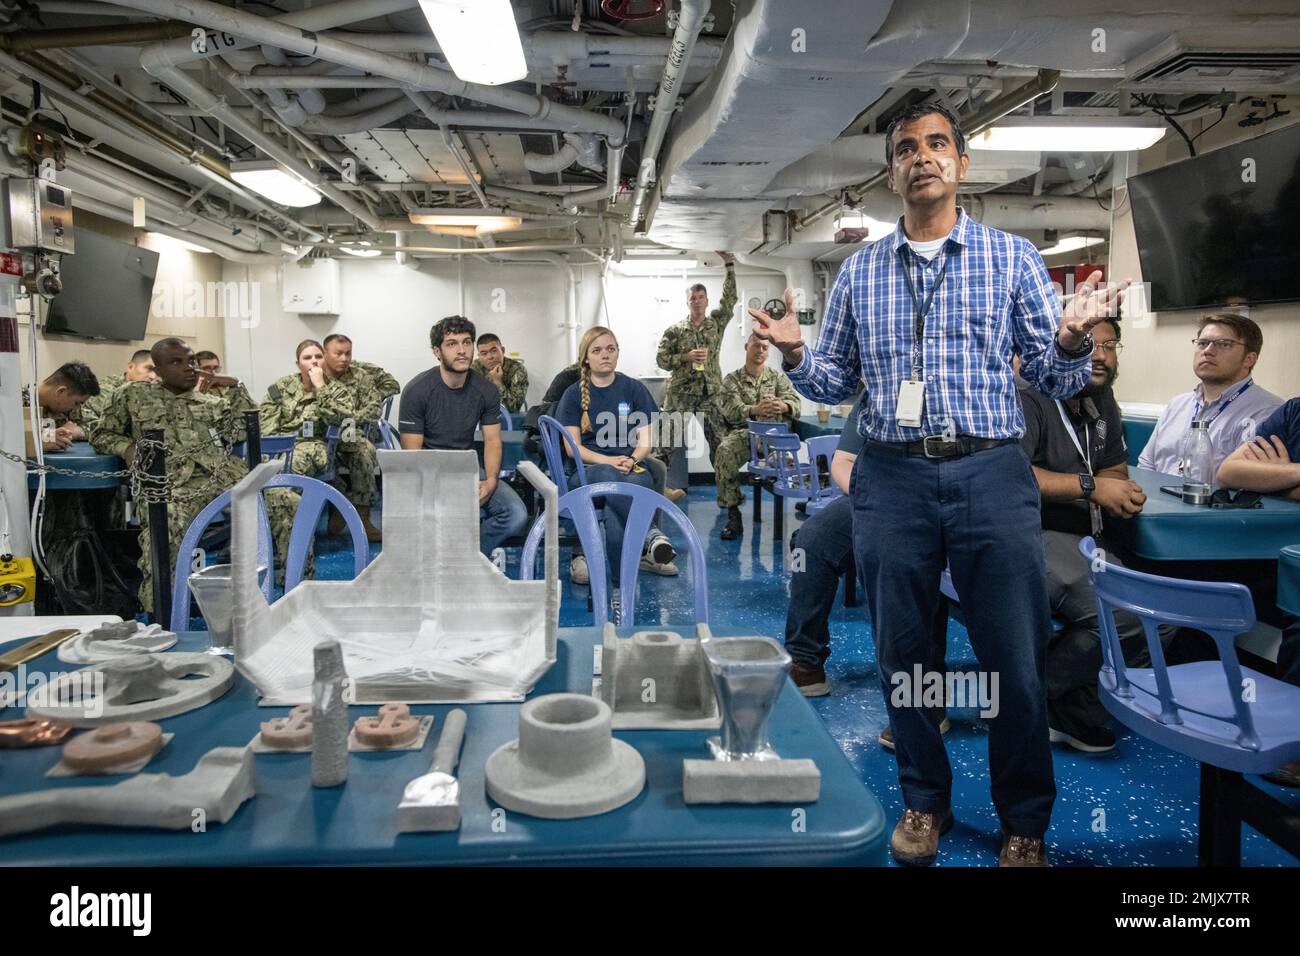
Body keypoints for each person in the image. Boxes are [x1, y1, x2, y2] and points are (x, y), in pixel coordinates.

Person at [751, 101, 1124, 868]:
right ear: (892, 173)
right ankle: (924, 801)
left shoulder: (1010, 258)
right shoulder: (860, 272)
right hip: (891, 477)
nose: (921, 157)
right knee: (904, 652)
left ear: (960, 164)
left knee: (1014, 655)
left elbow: (1052, 375)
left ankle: (1024, 819)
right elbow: (834, 380)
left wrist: (1070, 336)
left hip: (991, 470)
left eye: (936, 144)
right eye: (905, 148)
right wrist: (794, 354)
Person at [1017, 317, 1157, 754]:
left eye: (1110, 345)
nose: (1100, 355)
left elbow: (1114, 467)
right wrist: (1093, 487)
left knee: (1163, 622)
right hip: (1030, 532)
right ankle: (1027, 699)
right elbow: (1014, 478)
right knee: (1128, 618)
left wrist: (1118, 489)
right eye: (1087, 344)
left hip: (1085, 537)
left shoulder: (1101, 399)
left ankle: (1058, 700)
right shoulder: (1028, 396)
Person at [87, 338, 299, 615]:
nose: (188, 368)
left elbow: (244, 426)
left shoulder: (212, 402)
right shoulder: (132, 395)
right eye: (177, 362)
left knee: (288, 501)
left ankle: (295, 590)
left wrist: (234, 385)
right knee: (166, 522)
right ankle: (161, 611)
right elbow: (101, 433)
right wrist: (126, 447)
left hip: (224, 477)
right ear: (159, 368)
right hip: (170, 485)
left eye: (191, 362)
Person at [556, 327, 676, 600]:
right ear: (585, 358)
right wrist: (610, 460)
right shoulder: (574, 394)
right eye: (597, 351)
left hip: (627, 465)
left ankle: (618, 587)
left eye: (610, 349)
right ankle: (650, 536)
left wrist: (633, 458)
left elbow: (646, 441)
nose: (605, 355)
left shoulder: (633, 388)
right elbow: (573, 449)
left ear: (618, 353)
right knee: (620, 479)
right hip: (587, 470)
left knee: (622, 494)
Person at [1218, 396, 1300, 788]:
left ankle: (1292, 744)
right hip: (1276, 553)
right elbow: (1230, 471)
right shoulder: (1294, 411)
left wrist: (1276, 478)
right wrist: (1293, 477)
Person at [398, 316, 527, 557]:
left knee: (516, 514)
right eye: (451, 344)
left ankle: (465, 556)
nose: (461, 351)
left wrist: (490, 481)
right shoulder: (417, 391)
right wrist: (453, 488)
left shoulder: (486, 390)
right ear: (437, 351)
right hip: (428, 473)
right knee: (445, 515)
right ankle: (451, 558)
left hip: (468, 468)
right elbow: (412, 456)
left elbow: (492, 441)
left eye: (467, 342)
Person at [260, 340, 381, 542]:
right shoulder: (281, 387)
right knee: (262, 474)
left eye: (318, 357)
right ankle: (272, 533)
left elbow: (342, 419)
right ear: (298, 363)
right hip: (284, 444)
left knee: (294, 470)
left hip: (319, 443)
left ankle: (295, 534)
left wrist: (320, 387)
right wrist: (270, 455)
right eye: (307, 358)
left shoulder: (337, 390)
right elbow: (267, 425)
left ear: (324, 360)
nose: (314, 362)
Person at [1137, 312, 1281, 477]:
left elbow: (1249, 484)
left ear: (1249, 358)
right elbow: (1146, 465)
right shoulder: (1177, 405)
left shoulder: (1269, 412)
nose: (1208, 351)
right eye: (1202, 343)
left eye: (1224, 344)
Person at [653, 252, 737, 499]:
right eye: (693, 298)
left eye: (701, 298)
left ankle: (728, 497)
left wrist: (729, 266)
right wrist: (685, 357)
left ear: (707, 301)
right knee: (664, 445)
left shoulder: (716, 325)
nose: (697, 302)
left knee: (722, 445)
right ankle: (657, 493)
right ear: (687, 302)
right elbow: (661, 360)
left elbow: (730, 300)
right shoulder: (676, 330)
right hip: (680, 393)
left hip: (711, 393)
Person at [713, 332, 802, 540]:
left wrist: (783, 405)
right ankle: (733, 514)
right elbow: (730, 410)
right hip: (747, 434)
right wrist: (755, 409)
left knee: (791, 453)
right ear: (747, 347)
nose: (760, 351)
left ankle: (806, 496)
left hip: (773, 434)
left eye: (764, 348)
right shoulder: (732, 380)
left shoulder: (777, 377)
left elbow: (795, 402)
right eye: (756, 346)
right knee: (724, 450)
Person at [318, 334, 398, 535]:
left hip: (350, 432)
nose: (344, 358)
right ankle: (339, 505)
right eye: (338, 353)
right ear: (325, 353)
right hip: (319, 435)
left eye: (348, 353)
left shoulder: (360, 375)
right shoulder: (315, 376)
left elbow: (373, 407)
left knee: (364, 452)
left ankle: (363, 519)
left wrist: (350, 418)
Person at [24, 362, 100, 453]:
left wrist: (73, 432)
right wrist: (40, 442)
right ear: (61, 391)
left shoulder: (67, 408)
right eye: (76, 403)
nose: (76, 408)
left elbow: (99, 428)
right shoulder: (15, 405)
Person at [82, 350, 156, 429]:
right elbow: (114, 426)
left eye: (157, 371)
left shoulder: (153, 391)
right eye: (149, 369)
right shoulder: (108, 389)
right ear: (130, 367)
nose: (153, 376)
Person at [472, 334, 529, 414]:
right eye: (484, 353)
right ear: (479, 356)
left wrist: (498, 383)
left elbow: (514, 408)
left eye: (494, 351)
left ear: (502, 350)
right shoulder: (475, 367)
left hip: (506, 418)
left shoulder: (517, 369)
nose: (490, 357)